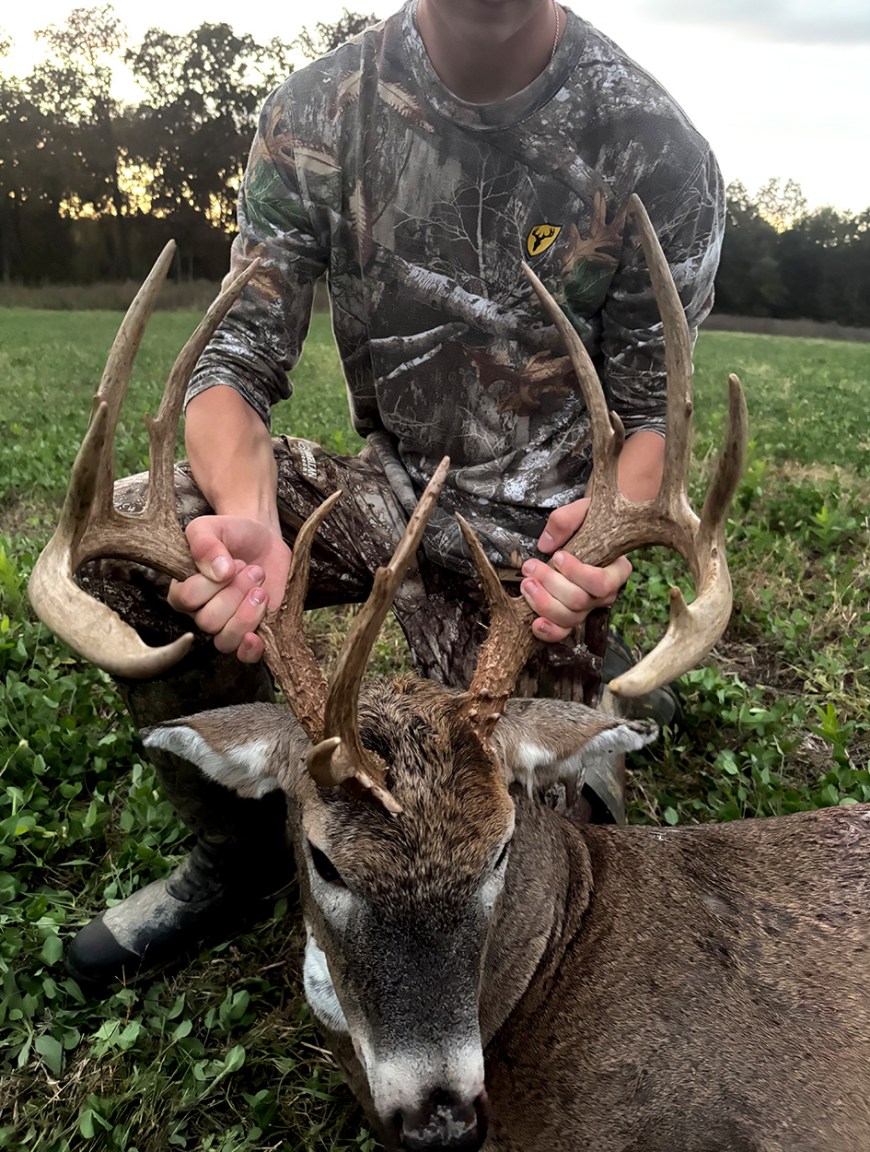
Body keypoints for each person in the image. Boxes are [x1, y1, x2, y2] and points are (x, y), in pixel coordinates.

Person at [68, 0, 723, 991]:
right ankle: (245, 852)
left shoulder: (654, 145)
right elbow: (236, 360)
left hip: (535, 545)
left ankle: (600, 658)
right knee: (135, 543)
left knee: (546, 893)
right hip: (384, 492)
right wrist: (244, 517)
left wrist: (599, 545)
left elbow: (650, 410)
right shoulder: (318, 111)